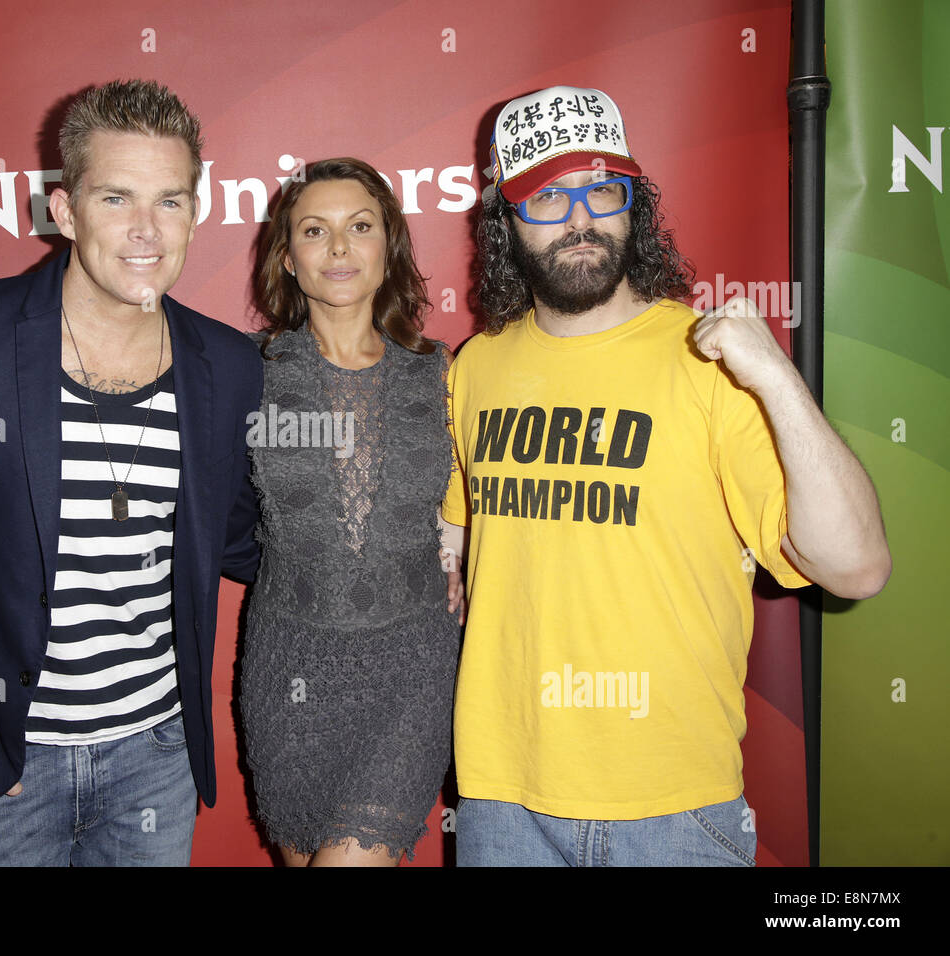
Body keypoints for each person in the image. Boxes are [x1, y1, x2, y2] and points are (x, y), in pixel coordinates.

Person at [441, 86, 891, 866]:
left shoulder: (709, 360)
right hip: (501, 801)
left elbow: (857, 566)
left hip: (672, 811)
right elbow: (456, 545)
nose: (580, 219)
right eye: (547, 196)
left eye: (602, 190)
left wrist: (778, 380)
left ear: (633, 207)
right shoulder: (475, 367)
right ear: (504, 220)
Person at [0, 79, 263, 866]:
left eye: (170, 201)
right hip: (4, 760)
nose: (146, 230)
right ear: (66, 210)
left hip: (155, 757)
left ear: (196, 210)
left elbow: (240, 538)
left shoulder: (229, 365)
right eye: (117, 198)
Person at [240, 157, 464, 867]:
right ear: (288, 256)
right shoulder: (247, 372)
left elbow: (476, 500)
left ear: (389, 246)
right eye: (315, 230)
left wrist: (457, 555)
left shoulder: (444, 372)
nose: (339, 248)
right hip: (289, 668)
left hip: (411, 665)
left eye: (359, 227)